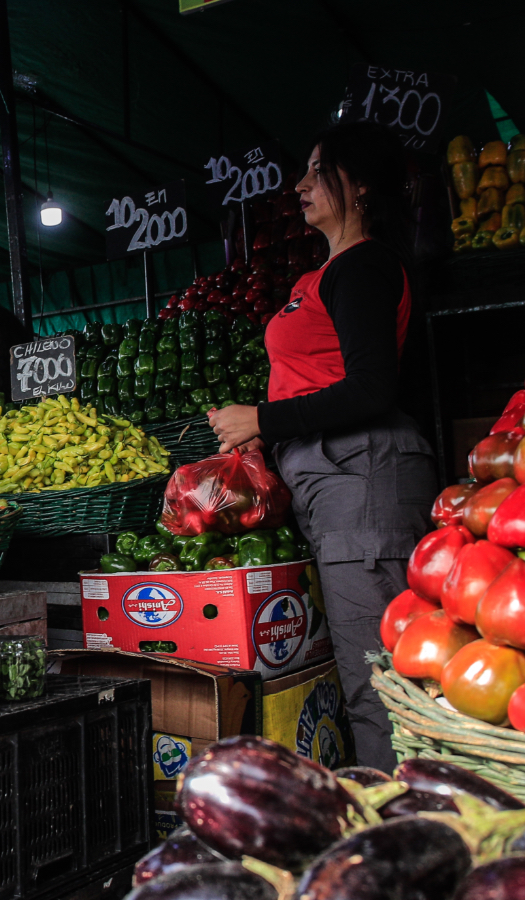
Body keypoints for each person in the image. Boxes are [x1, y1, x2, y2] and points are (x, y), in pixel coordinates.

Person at [207, 122, 439, 772]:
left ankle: (400, 833)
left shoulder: (365, 265)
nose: (300, 185)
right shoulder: (327, 272)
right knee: (367, 668)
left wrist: (263, 419)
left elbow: (370, 388)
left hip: (362, 478)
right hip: (336, 482)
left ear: (360, 184)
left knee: (380, 678)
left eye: (318, 171)